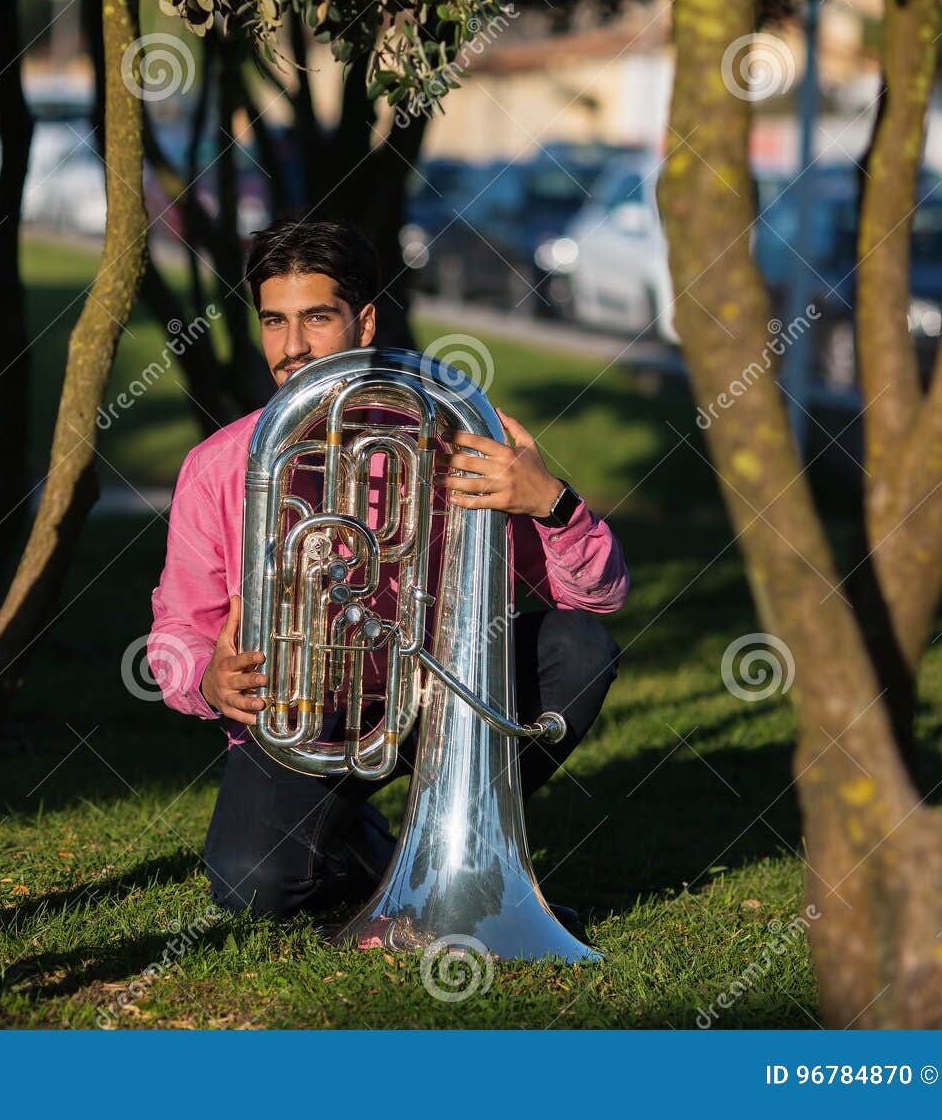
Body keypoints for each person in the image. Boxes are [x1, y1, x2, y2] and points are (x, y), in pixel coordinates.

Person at [147, 218, 628, 919]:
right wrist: (206, 678)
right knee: (253, 885)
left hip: (440, 692)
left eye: (317, 317)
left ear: (363, 321)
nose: (292, 347)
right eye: (274, 321)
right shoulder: (217, 467)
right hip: (303, 716)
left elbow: (598, 597)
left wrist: (550, 503)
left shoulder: (447, 437)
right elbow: (174, 635)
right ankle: (372, 848)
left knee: (578, 651)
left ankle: (462, 840)